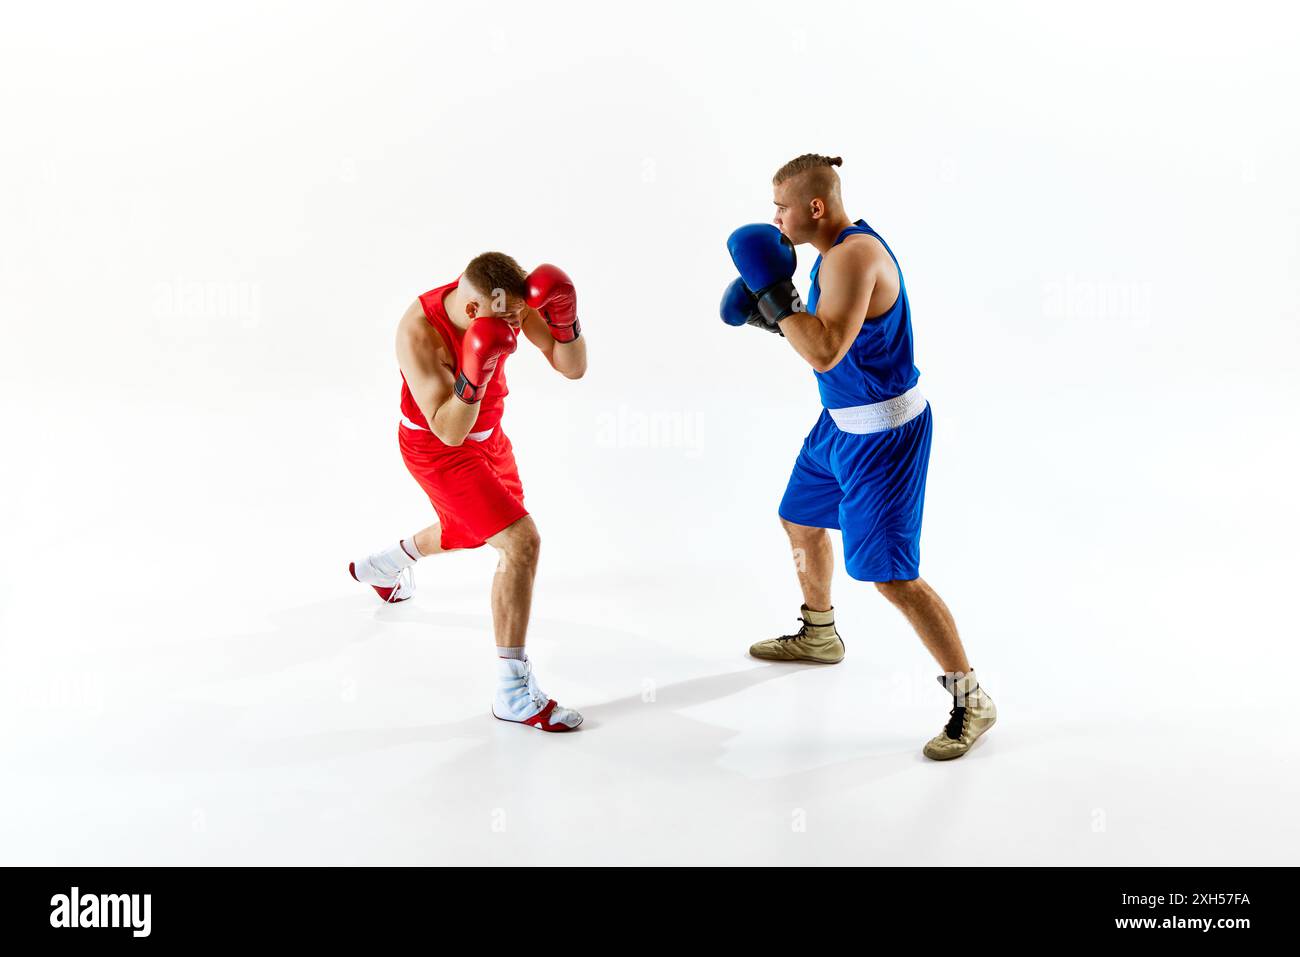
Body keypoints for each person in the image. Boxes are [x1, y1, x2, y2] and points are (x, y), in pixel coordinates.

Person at [722, 154, 995, 760]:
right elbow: (831, 341)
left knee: (891, 577)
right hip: (838, 425)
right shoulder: (833, 256)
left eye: (782, 207)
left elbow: (824, 352)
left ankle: (971, 698)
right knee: (799, 519)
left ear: (815, 207)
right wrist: (777, 318)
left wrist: (775, 299)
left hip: (883, 437)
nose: (775, 219)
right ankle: (819, 634)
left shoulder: (852, 256)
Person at [350, 252, 588, 732]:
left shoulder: (508, 302)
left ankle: (384, 565)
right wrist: (474, 373)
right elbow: (449, 430)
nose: (517, 326)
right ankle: (513, 692)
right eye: (509, 320)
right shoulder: (419, 332)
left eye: (520, 316)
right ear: (477, 310)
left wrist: (566, 322)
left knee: (475, 531)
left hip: (490, 437)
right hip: (438, 447)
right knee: (520, 542)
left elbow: (572, 368)